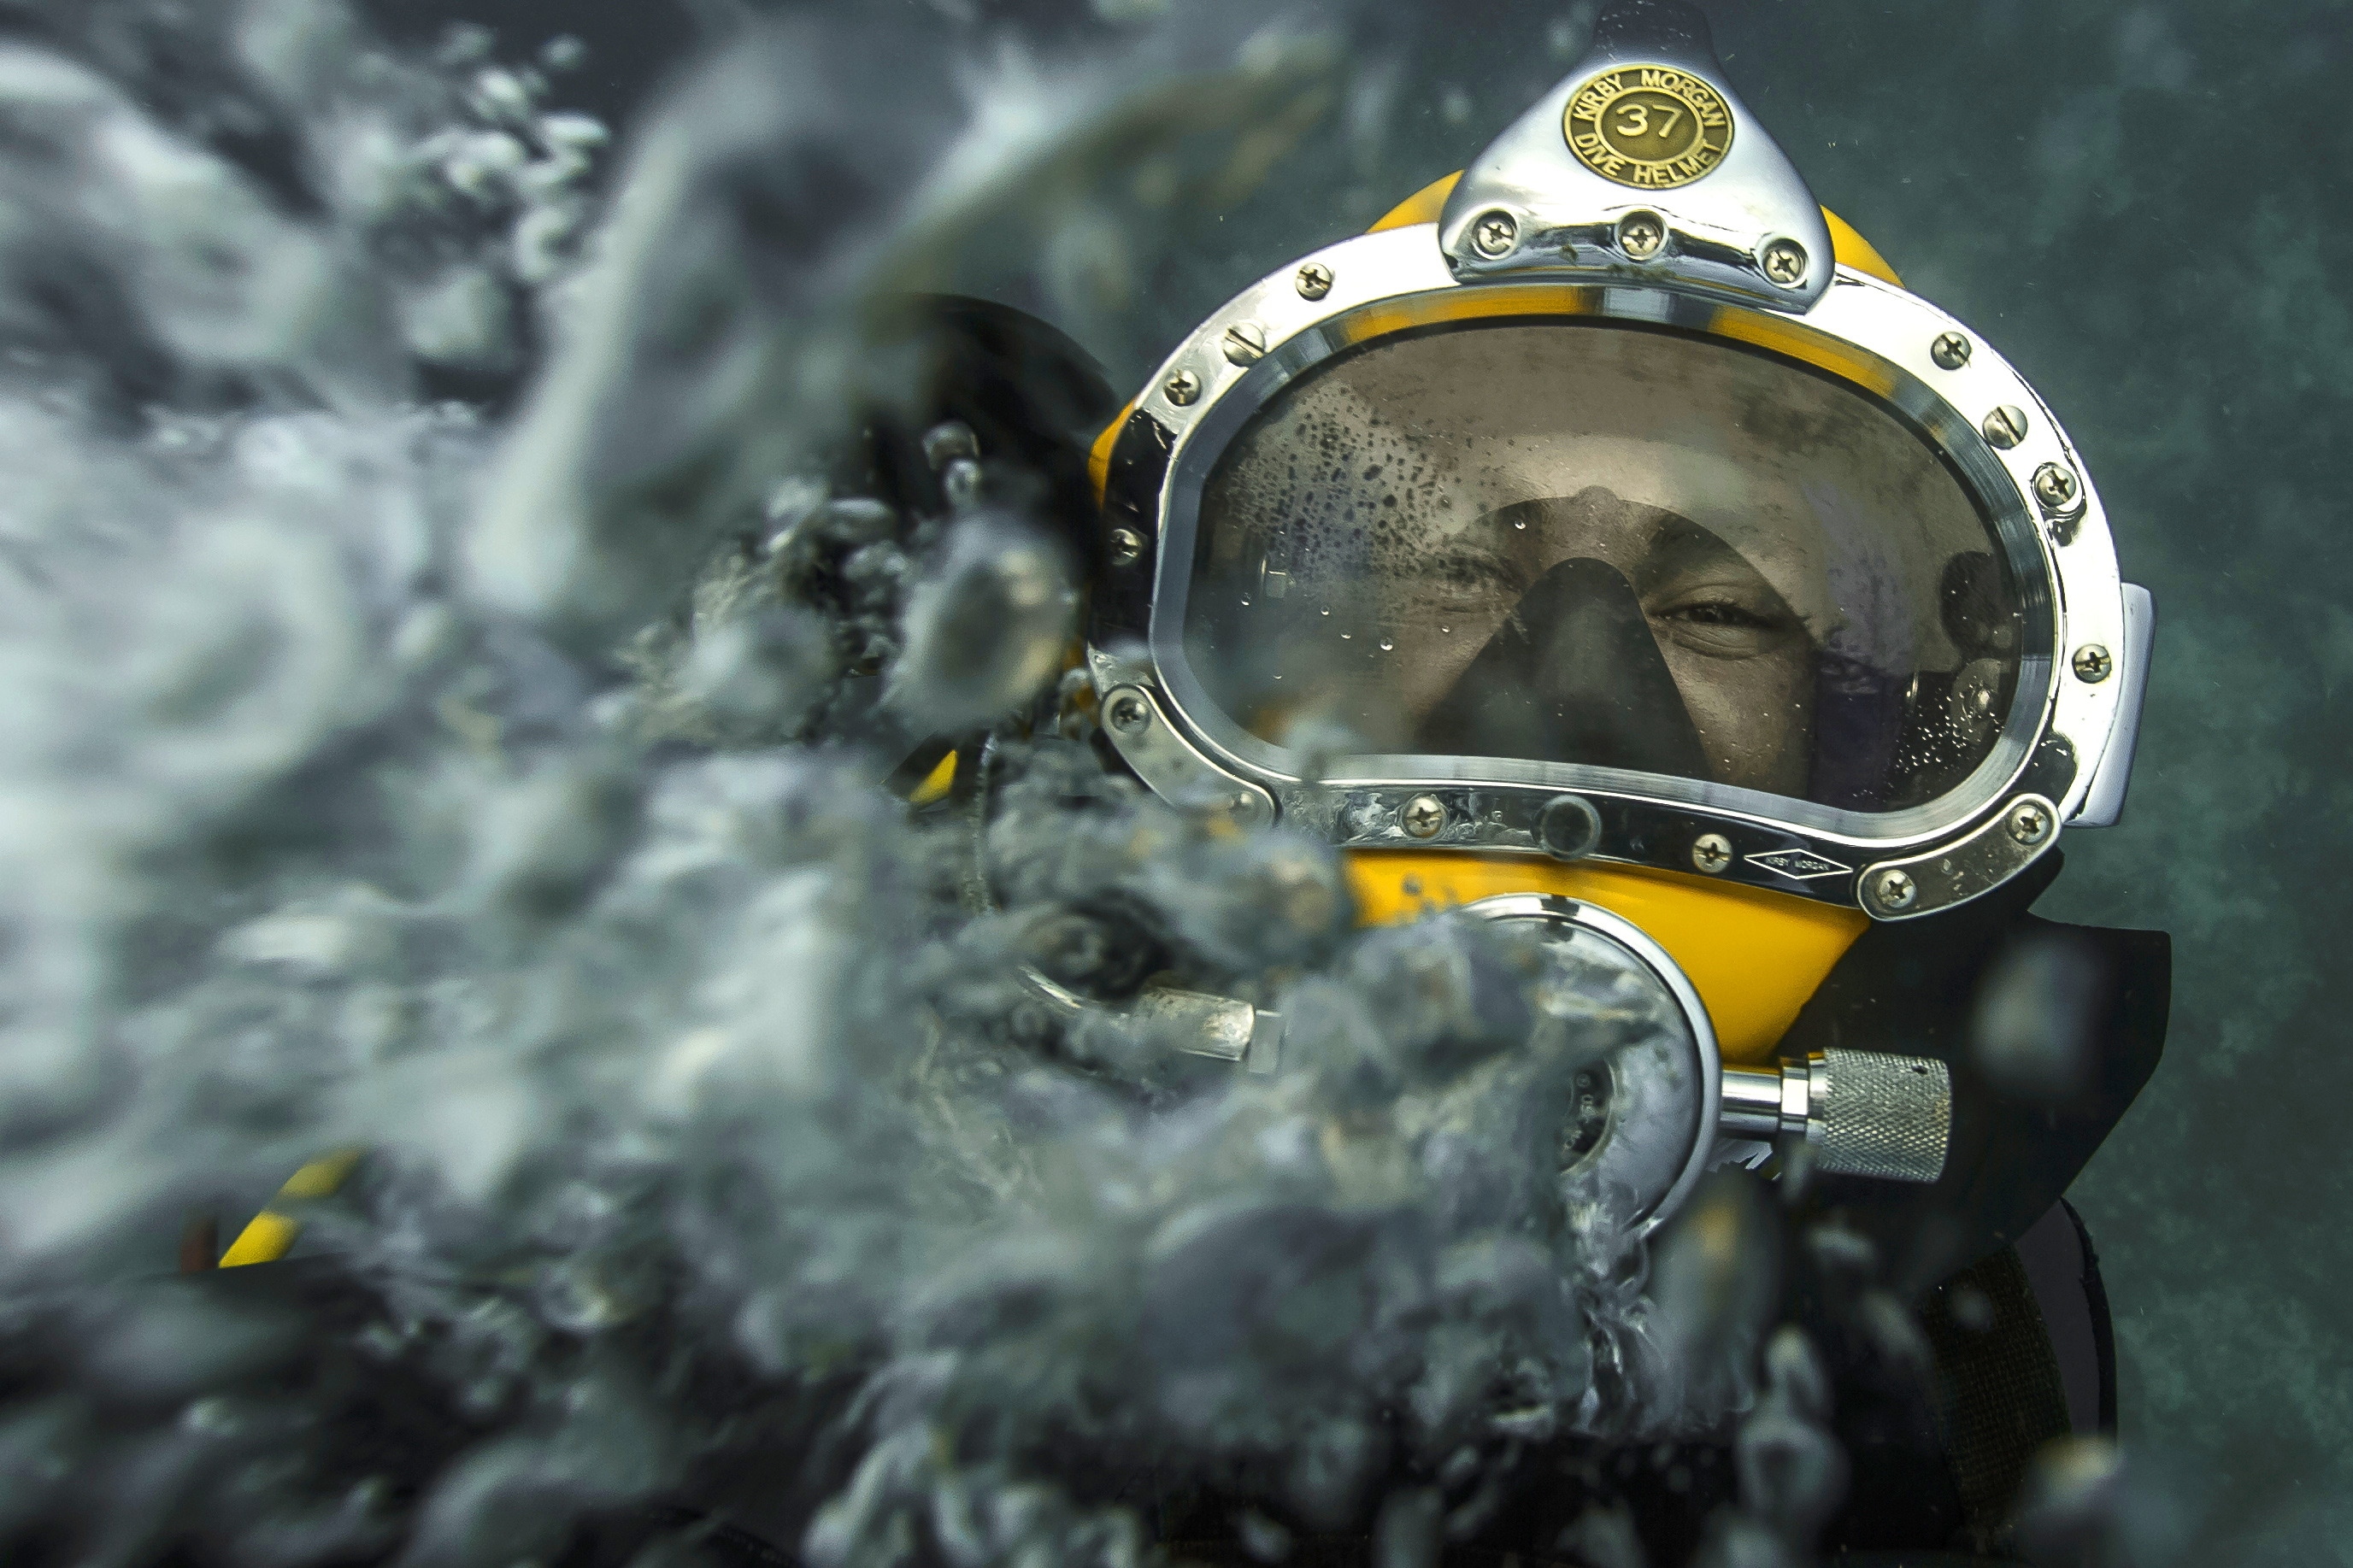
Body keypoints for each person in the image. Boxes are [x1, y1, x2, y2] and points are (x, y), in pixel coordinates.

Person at [1056, 0, 2170, 1557]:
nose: (1575, 692)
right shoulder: (946, 1100)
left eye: (1720, 610)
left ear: (1876, 725)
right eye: (1456, 571)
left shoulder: (1974, 1331)